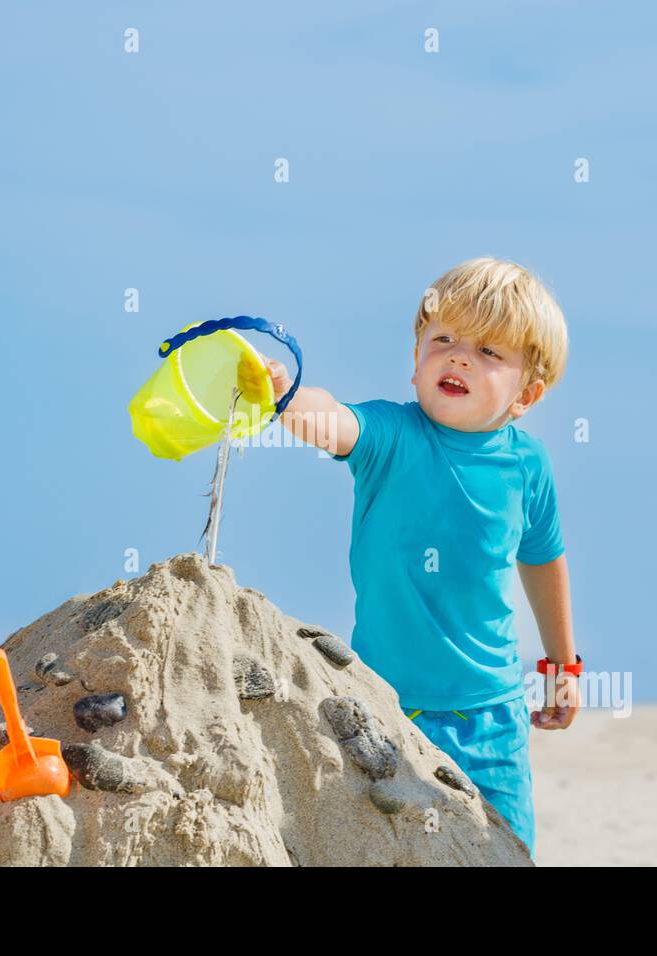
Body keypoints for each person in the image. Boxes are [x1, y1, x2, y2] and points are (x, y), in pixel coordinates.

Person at [259, 257, 580, 861]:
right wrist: (288, 395)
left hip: (490, 717)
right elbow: (334, 420)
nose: (458, 357)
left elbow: (542, 559)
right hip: (384, 707)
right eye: (444, 340)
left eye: (489, 351)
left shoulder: (527, 466)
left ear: (527, 394)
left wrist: (564, 664)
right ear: (415, 361)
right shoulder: (391, 436)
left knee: (500, 850)